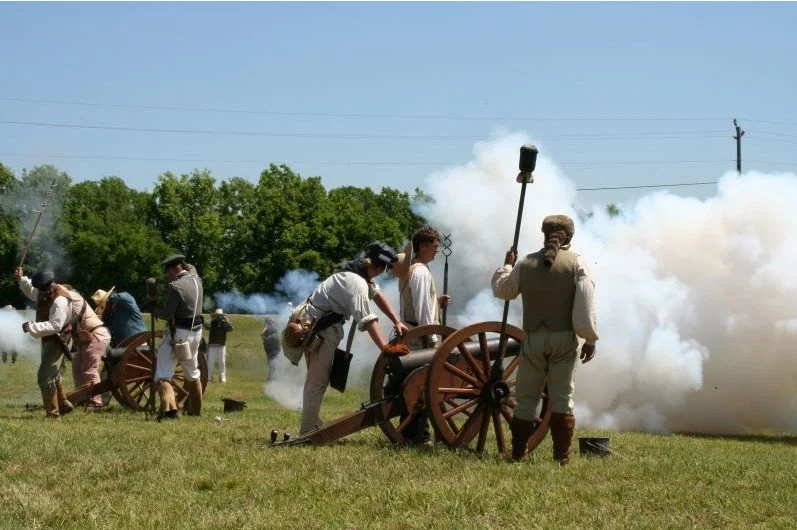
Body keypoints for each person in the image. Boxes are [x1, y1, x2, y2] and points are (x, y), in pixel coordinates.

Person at [491, 215, 599, 465]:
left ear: (544, 234)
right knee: (562, 398)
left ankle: (518, 453)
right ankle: (561, 458)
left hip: (533, 338)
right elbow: (585, 305)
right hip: (563, 339)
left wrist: (507, 266)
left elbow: (503, 291)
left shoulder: (526, 263)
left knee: (526, 398)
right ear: (570, 237)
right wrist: (589, 338)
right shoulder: (578, 262)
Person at [288, 242, 410, 436]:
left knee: (317, 380)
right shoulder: (356, 283)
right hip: (321, 331)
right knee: (317, 382)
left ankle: (313, 423)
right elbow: (368, 319)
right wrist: (384, 347)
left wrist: (396, 320)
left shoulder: (358, 274)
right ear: (380, 268)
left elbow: (377, 295)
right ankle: (308, 430)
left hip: (320, 327)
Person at [17, 267, 111, 415]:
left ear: (47, 286)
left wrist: (31, 326)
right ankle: (69, 403)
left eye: (41, 288)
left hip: (94, 334)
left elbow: (56, 325)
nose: (39, 292)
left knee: (86, 370)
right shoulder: (48, 290)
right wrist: (21, 278)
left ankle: (88, 404)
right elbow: (33, 291)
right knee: (73, 369)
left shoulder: (60, 299)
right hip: (78, 337)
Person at [391, 226, 452, 446]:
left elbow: (422, 304)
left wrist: (437, 301)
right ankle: (419, 436)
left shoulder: (412, 269)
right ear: (424, 245)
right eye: (435, 246)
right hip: (419, 337)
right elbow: (421, 309)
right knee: (421, 387)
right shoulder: (420, 272)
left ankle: (411, 434)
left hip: (413, 332)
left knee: (415, 386)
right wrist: (432, 339)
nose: (437, 250)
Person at [152, 254, 204, 419]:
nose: (168, 276)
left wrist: (153, 310)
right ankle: (195, 411)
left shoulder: (176, 287)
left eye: (168, 272)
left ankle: (170, 412)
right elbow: (191, 266)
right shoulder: (196, 278)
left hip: (179, 335)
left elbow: (167, 314)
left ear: (175, 269)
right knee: (192, 373)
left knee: (163, 374)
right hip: (196, 333)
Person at [204, 308, 233, 382]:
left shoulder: (224, 323)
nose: (219, 317)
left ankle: (222, 377)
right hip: (212, 346)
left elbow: (231, 328)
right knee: (210, 363)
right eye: (217, 315)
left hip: (221, 346)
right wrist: (212, 319)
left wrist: (226, 320)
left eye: (220, 316)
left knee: (222, 362)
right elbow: (205, 325)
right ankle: (209, 377)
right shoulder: (212, 323)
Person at [261, 315, 281, 380]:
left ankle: (272, 376)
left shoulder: (271, 327)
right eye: (271, 320)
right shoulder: (268, 328)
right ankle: (272, 377)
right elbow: (262, 334)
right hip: (271, 347)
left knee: (273, 362)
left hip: (274, 347)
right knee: (272, 362)